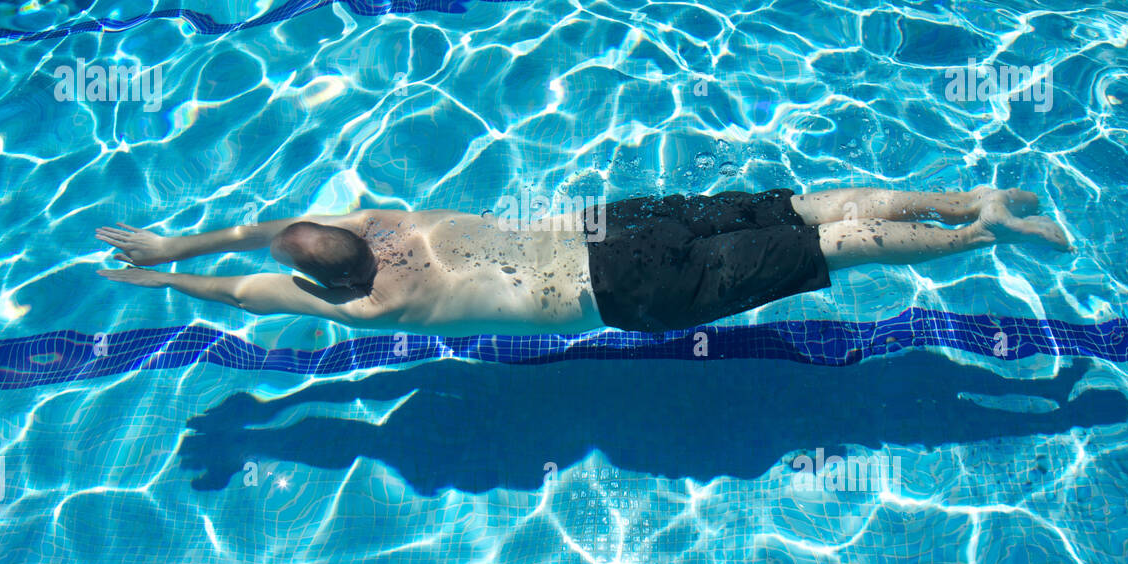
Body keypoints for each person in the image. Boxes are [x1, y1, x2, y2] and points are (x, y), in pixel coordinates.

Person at [96, 186, 1070, 335]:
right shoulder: (383, 218)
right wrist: (178, 239)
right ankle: (968, 193)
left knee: (826, 250)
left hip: (620, 286)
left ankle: (974, 236)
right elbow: (261, 238)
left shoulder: (377, 306)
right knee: (801, 202)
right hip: (607, 224)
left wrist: (164, 277)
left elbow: (243, 287)